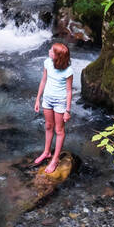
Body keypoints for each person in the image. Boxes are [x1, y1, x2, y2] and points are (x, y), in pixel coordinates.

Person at [33, 42, 74, 174]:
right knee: (48, 126)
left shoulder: (68, 71)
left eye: (52, 51)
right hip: (47, 99)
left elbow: (69, 91)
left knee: (59, 130)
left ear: (58, 57)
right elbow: (43, 80)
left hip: (60, 102)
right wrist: (38, 98)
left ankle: (55, 159)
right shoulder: (47, 63)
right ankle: (46, 152)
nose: (49, 51)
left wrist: (67, 110)